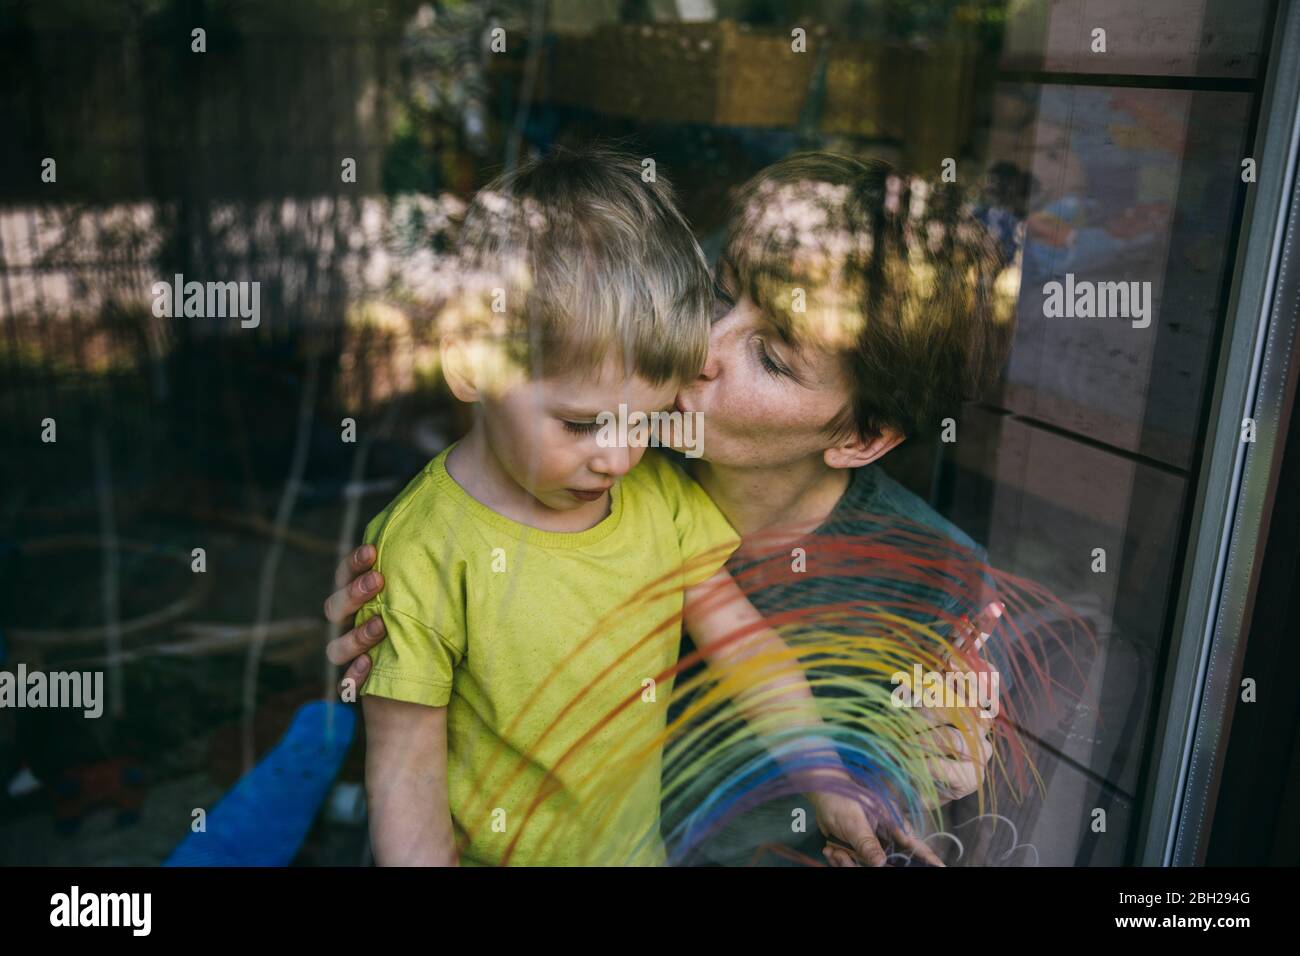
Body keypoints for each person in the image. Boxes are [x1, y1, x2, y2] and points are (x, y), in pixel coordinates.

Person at [328, 151, 1012, 866]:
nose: (702, 351)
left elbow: (907, 788)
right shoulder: (594, 456)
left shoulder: (927, 582)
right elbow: (408, 770)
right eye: (717, 297)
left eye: (771, 358)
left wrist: (887, 780)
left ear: (861, 437)